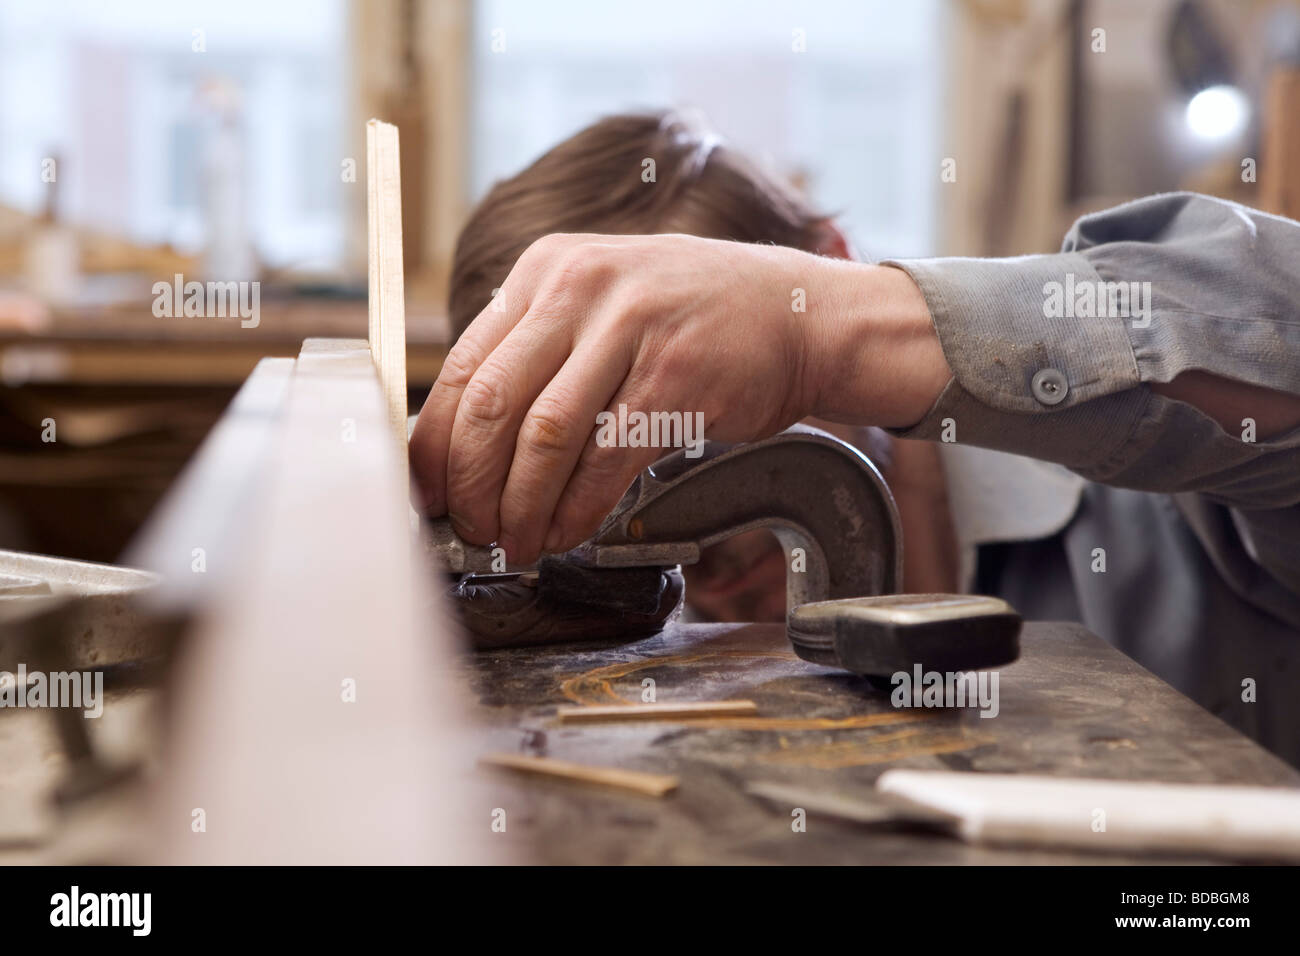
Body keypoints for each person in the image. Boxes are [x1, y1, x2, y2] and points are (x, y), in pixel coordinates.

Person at [411, 110, 1300, 764]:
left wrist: (823, 333)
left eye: (686, 429)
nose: (704, 571)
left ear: (827, 257)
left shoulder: (1173, 482)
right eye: (580, 469)